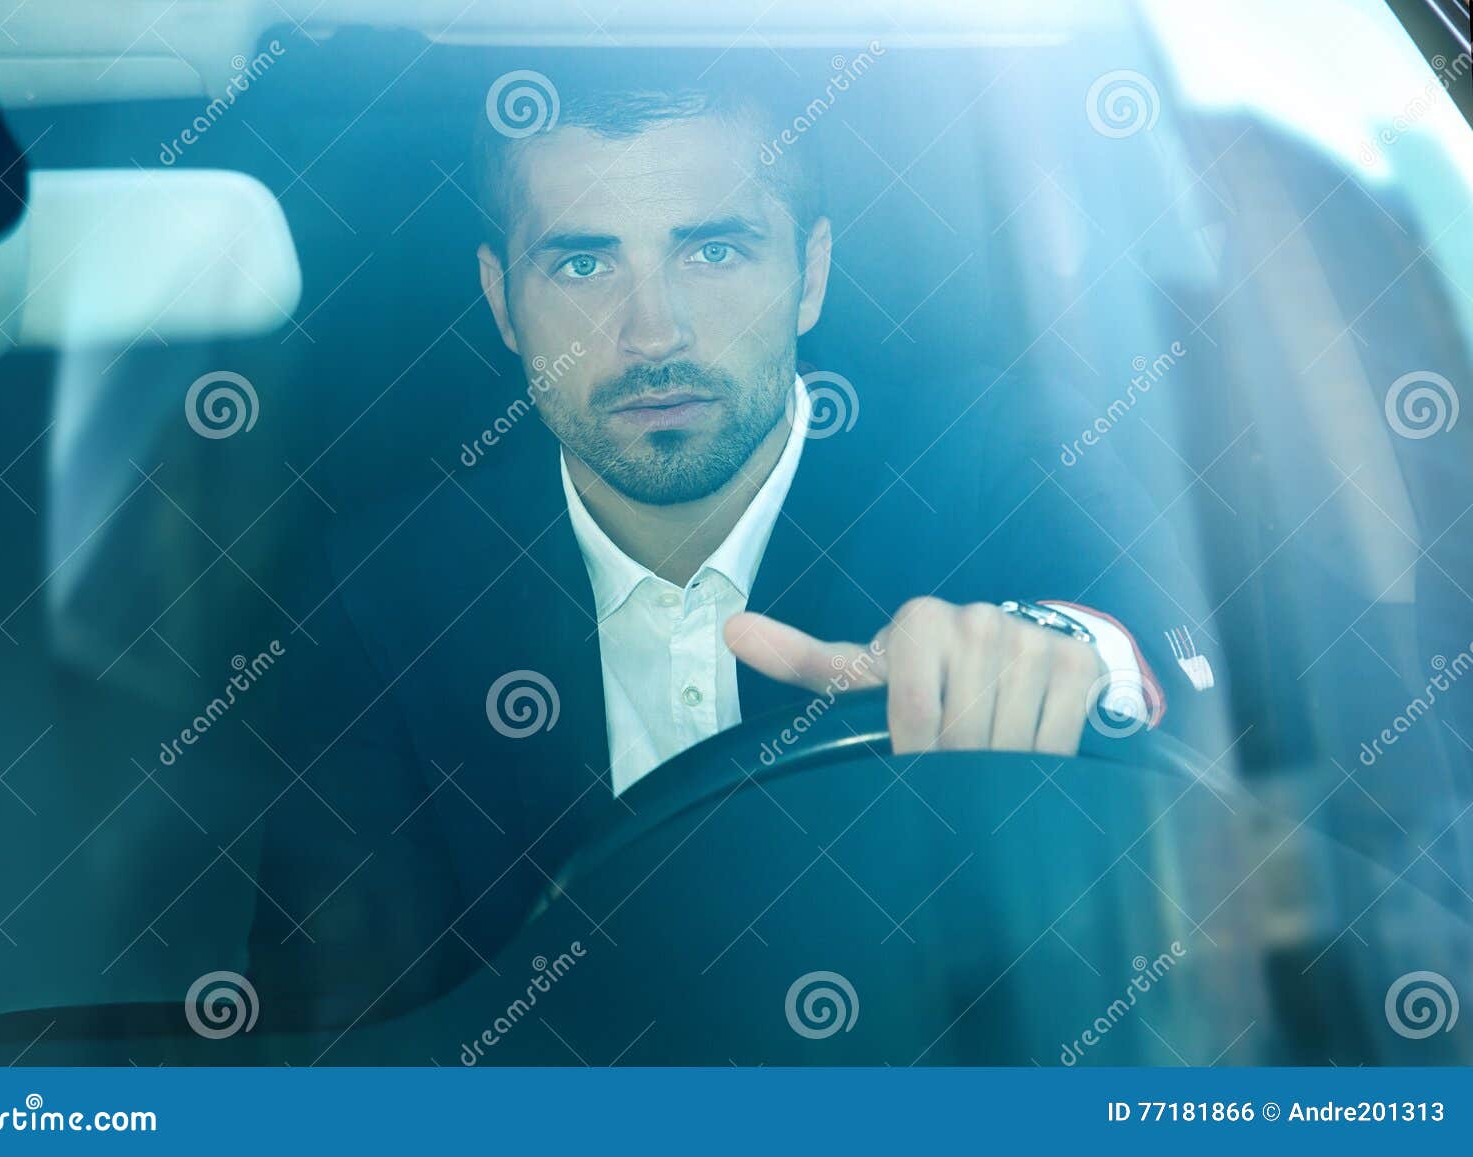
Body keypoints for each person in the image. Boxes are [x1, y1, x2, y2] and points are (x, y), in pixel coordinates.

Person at [246, 76, 1211, 1028]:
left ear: (811, 275)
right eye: (584, 266)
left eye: (712, 251)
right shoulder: (383, 592)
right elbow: (332, 1021)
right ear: (503, 301)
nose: (652, 332)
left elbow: (1203, 684)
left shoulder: (986, 463)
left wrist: (1065, 652)